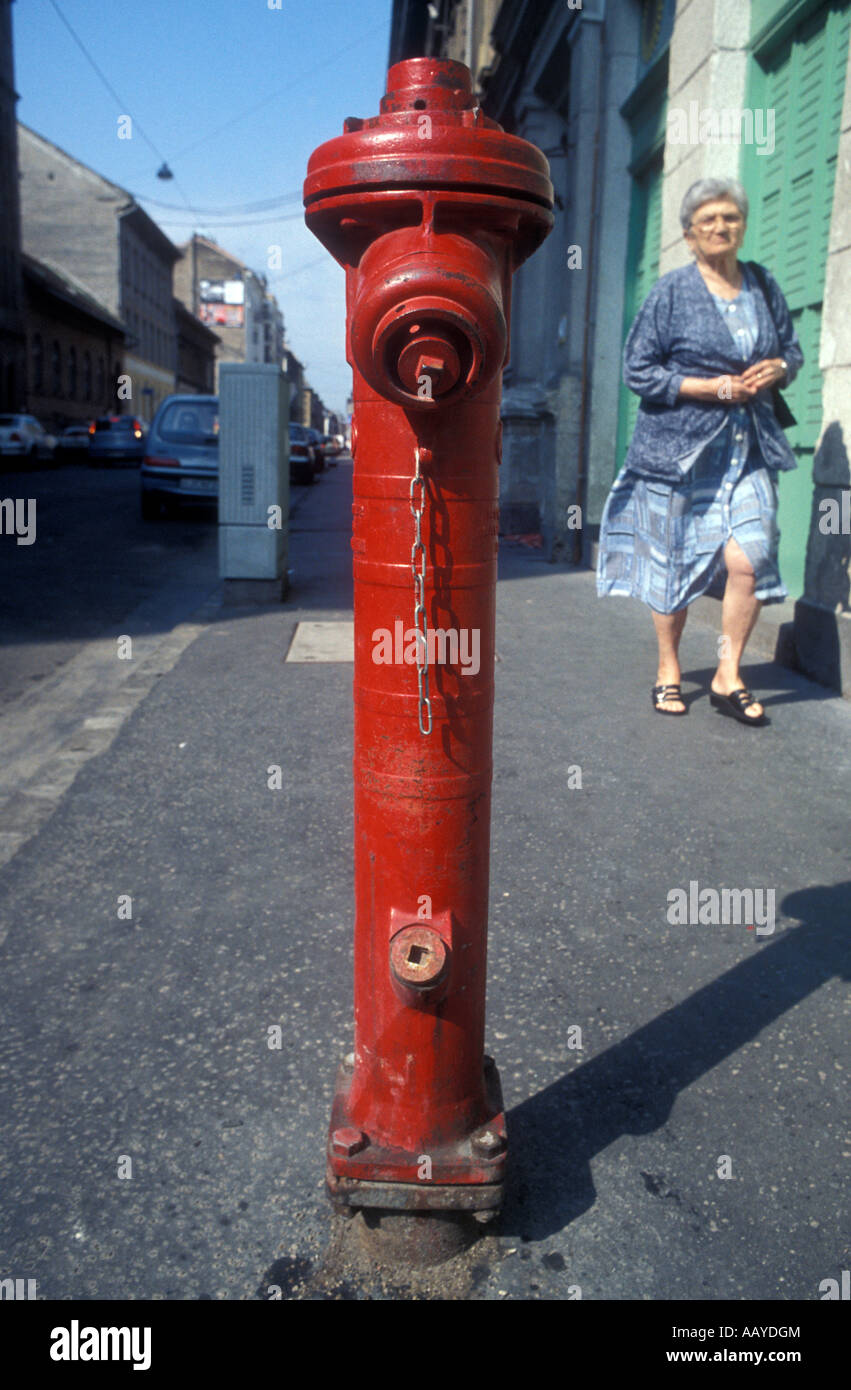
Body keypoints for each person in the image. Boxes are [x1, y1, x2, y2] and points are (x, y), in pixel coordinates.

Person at [596, 177, 803, 725]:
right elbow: (638, 369)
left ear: (742, 226)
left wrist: (780, 368)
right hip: (680, 453)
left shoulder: (762, 285)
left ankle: (726, 673)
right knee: (674, 565)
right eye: (708, 219)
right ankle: (668, 668)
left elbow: (792, 352)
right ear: (689, 235)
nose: (720, 227)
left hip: (748, 446)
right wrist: (708, 388)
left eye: (730, 217)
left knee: (752, 559)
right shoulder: (671, 292)